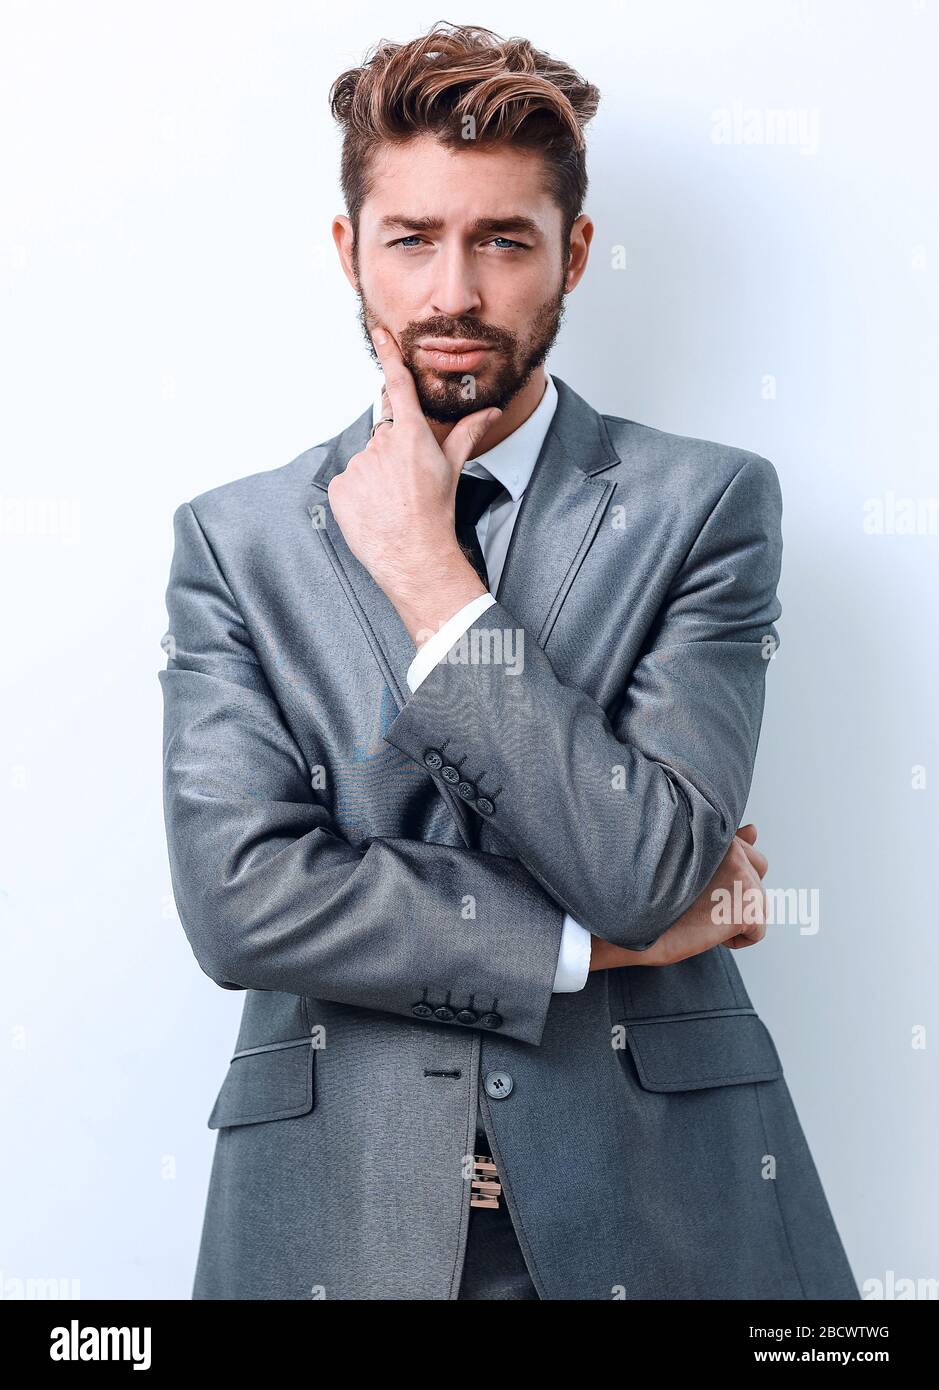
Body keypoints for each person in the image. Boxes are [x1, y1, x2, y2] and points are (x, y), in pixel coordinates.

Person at [159, 21, 858, 1300]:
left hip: (665, 1209)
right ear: (348, 251)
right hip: (336, 1216)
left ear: (573, 254)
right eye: (412, 238)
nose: (453, 295)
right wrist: (593, 949)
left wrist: (430, 576)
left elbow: (648, 867)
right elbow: (240, 901)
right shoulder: (234, 541)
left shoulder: (704, 507)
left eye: (503, 241)